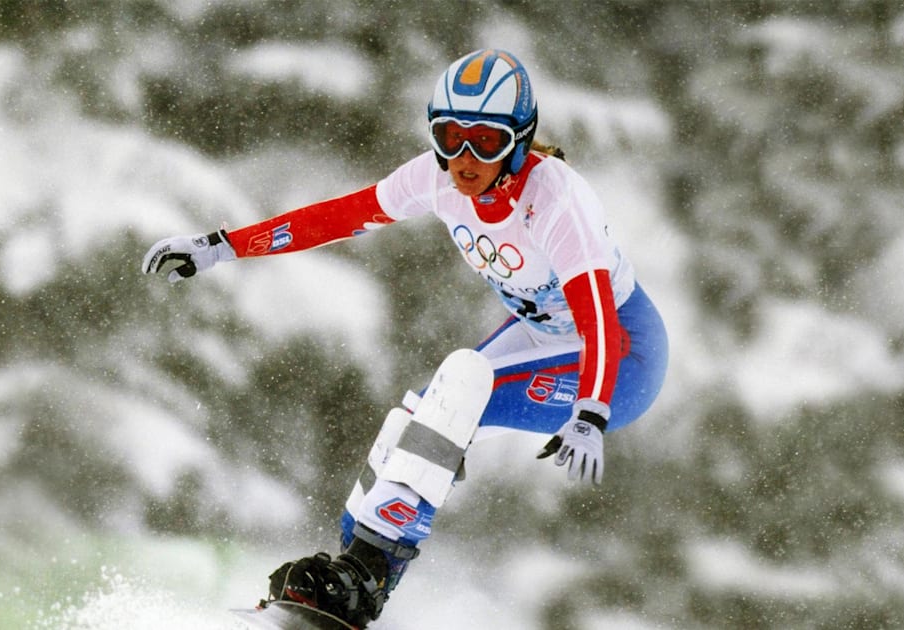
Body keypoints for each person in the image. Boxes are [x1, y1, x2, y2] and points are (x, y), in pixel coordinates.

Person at [142, 48, 669, 628]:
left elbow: (597, 317)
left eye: (485, 142)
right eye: (450, 137)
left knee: (460, 380)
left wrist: (591, 412)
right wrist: (220, 247)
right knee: (418, 418)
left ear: (519, 142)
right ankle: (351, 575)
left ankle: (367, 575)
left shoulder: (552, 200)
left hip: (621, 359)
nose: (465, 160)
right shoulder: (435, 179)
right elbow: (339, 217)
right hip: (550, 336)